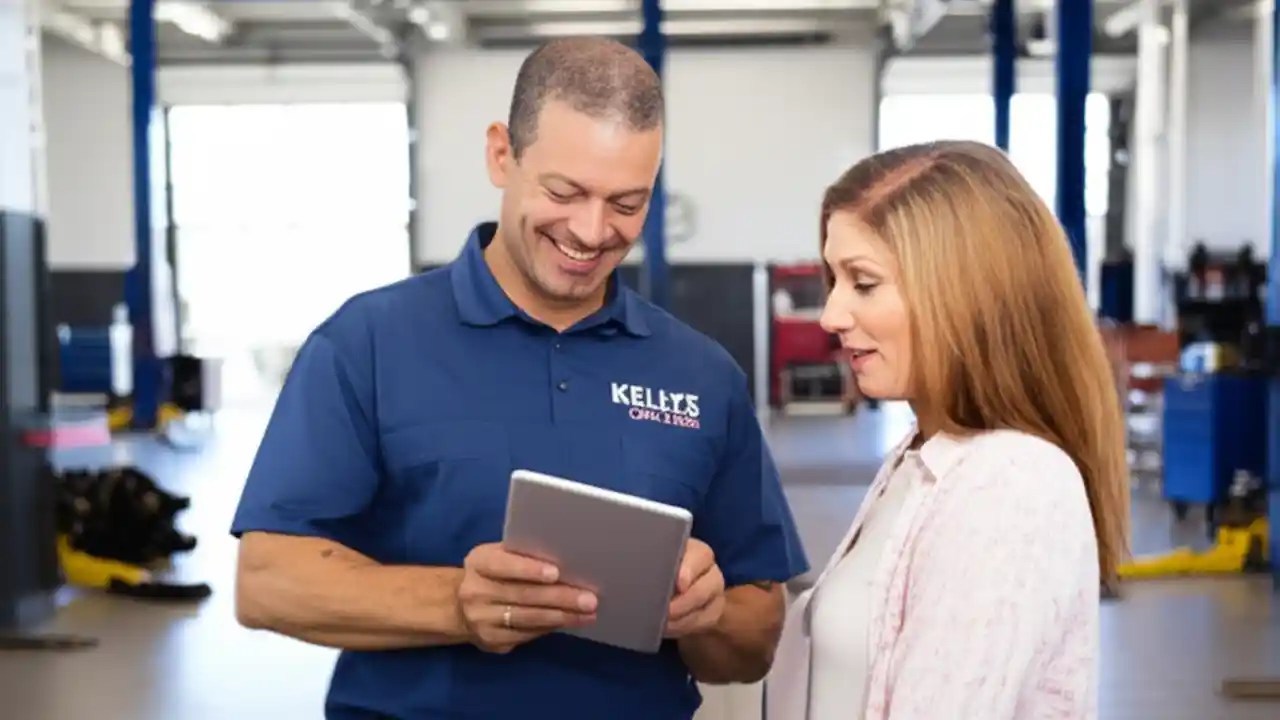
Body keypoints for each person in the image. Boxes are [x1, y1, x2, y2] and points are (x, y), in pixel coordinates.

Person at [230, 37, 808, 720]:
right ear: (502, 154)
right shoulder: (369, 342)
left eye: (627, 203)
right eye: (565, 192)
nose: (592, 232)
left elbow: (754, 639)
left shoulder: (703, 375)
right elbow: (267, 582)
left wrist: (706, 613)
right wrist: (456, 603)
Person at [765, 140, 1130, 720]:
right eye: (832, 280)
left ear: (960, 292)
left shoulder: (1009, 484)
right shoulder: (923, 459)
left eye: (863, 283)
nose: (832, 316)